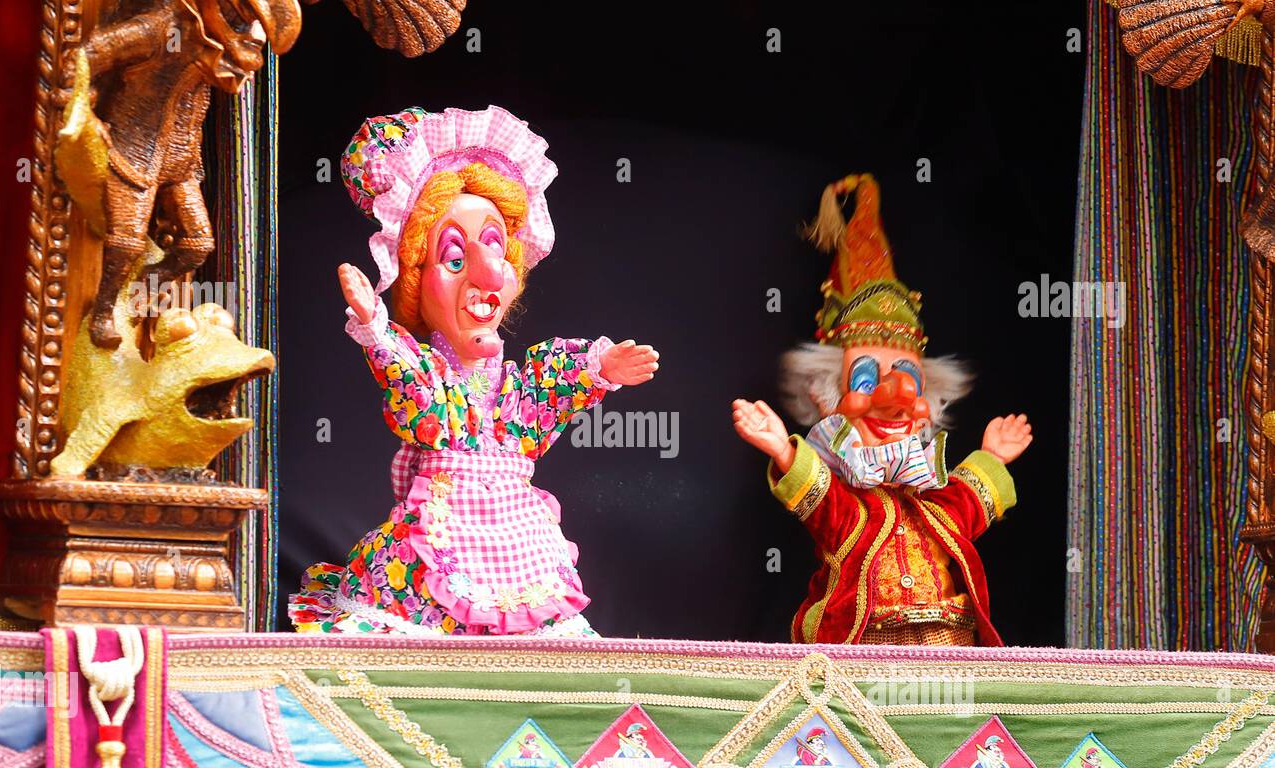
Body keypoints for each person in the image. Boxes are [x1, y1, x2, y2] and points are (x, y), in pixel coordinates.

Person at [289, 106, 659, 636]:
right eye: (455, 259)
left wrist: (601, 365)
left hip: (517, 534)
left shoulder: (516, 389)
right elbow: (409, 377)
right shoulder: (435, 379)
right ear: (417, 278)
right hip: (444, 529)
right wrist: (374, 326)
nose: (487, 274)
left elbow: (549, 385)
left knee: (540, 629)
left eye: (495, 246)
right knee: (431, 624)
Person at [732, 174, 1031, 646]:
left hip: (948, 644)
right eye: (867, 381)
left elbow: (966, 507)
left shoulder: (935, 501)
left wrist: (993, 457)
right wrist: (783, 451)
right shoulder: (851, 509)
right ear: (829, 398)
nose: (891, 400)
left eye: (907, 382)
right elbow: (824, 505)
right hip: (864, 643)